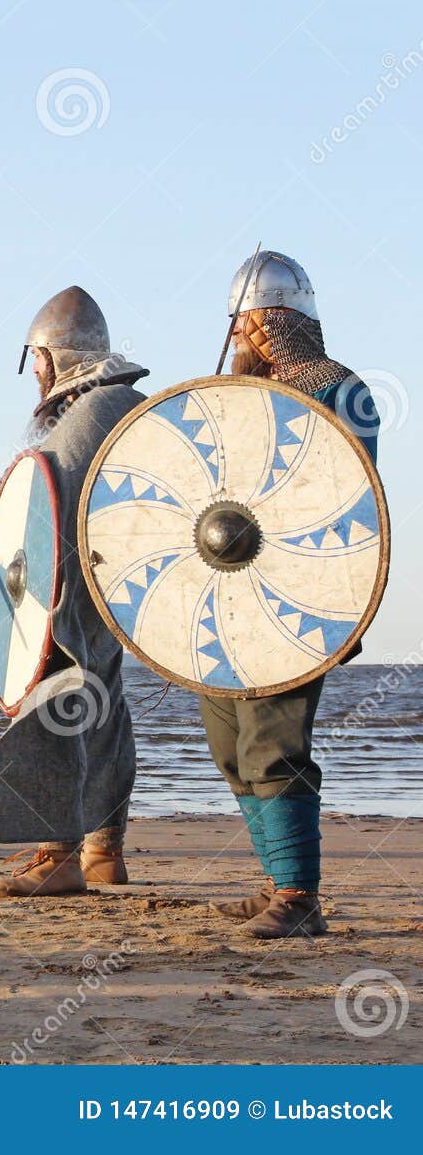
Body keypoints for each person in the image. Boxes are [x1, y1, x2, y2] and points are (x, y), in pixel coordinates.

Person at [202, 251, 378, 938]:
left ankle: (300, 896)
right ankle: (278, 878)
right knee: (228, 740)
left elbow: (342, 494)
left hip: (300, 595)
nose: (237, 332)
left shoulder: (341, 390)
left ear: (277, 319)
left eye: (245, 320)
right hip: (226, 594)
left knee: (272, 741)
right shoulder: (235, 398)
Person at [0, 287, 149, 896]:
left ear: (56, 356)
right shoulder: (120, 405)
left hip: (76, 585)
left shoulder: (94, 412)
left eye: (37, 359)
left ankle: (59, 852)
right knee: (105, 704)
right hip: (113, 581)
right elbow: (37, 469)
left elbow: (49, 478)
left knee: (60, 699)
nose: (35, 373)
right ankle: (103, 851)